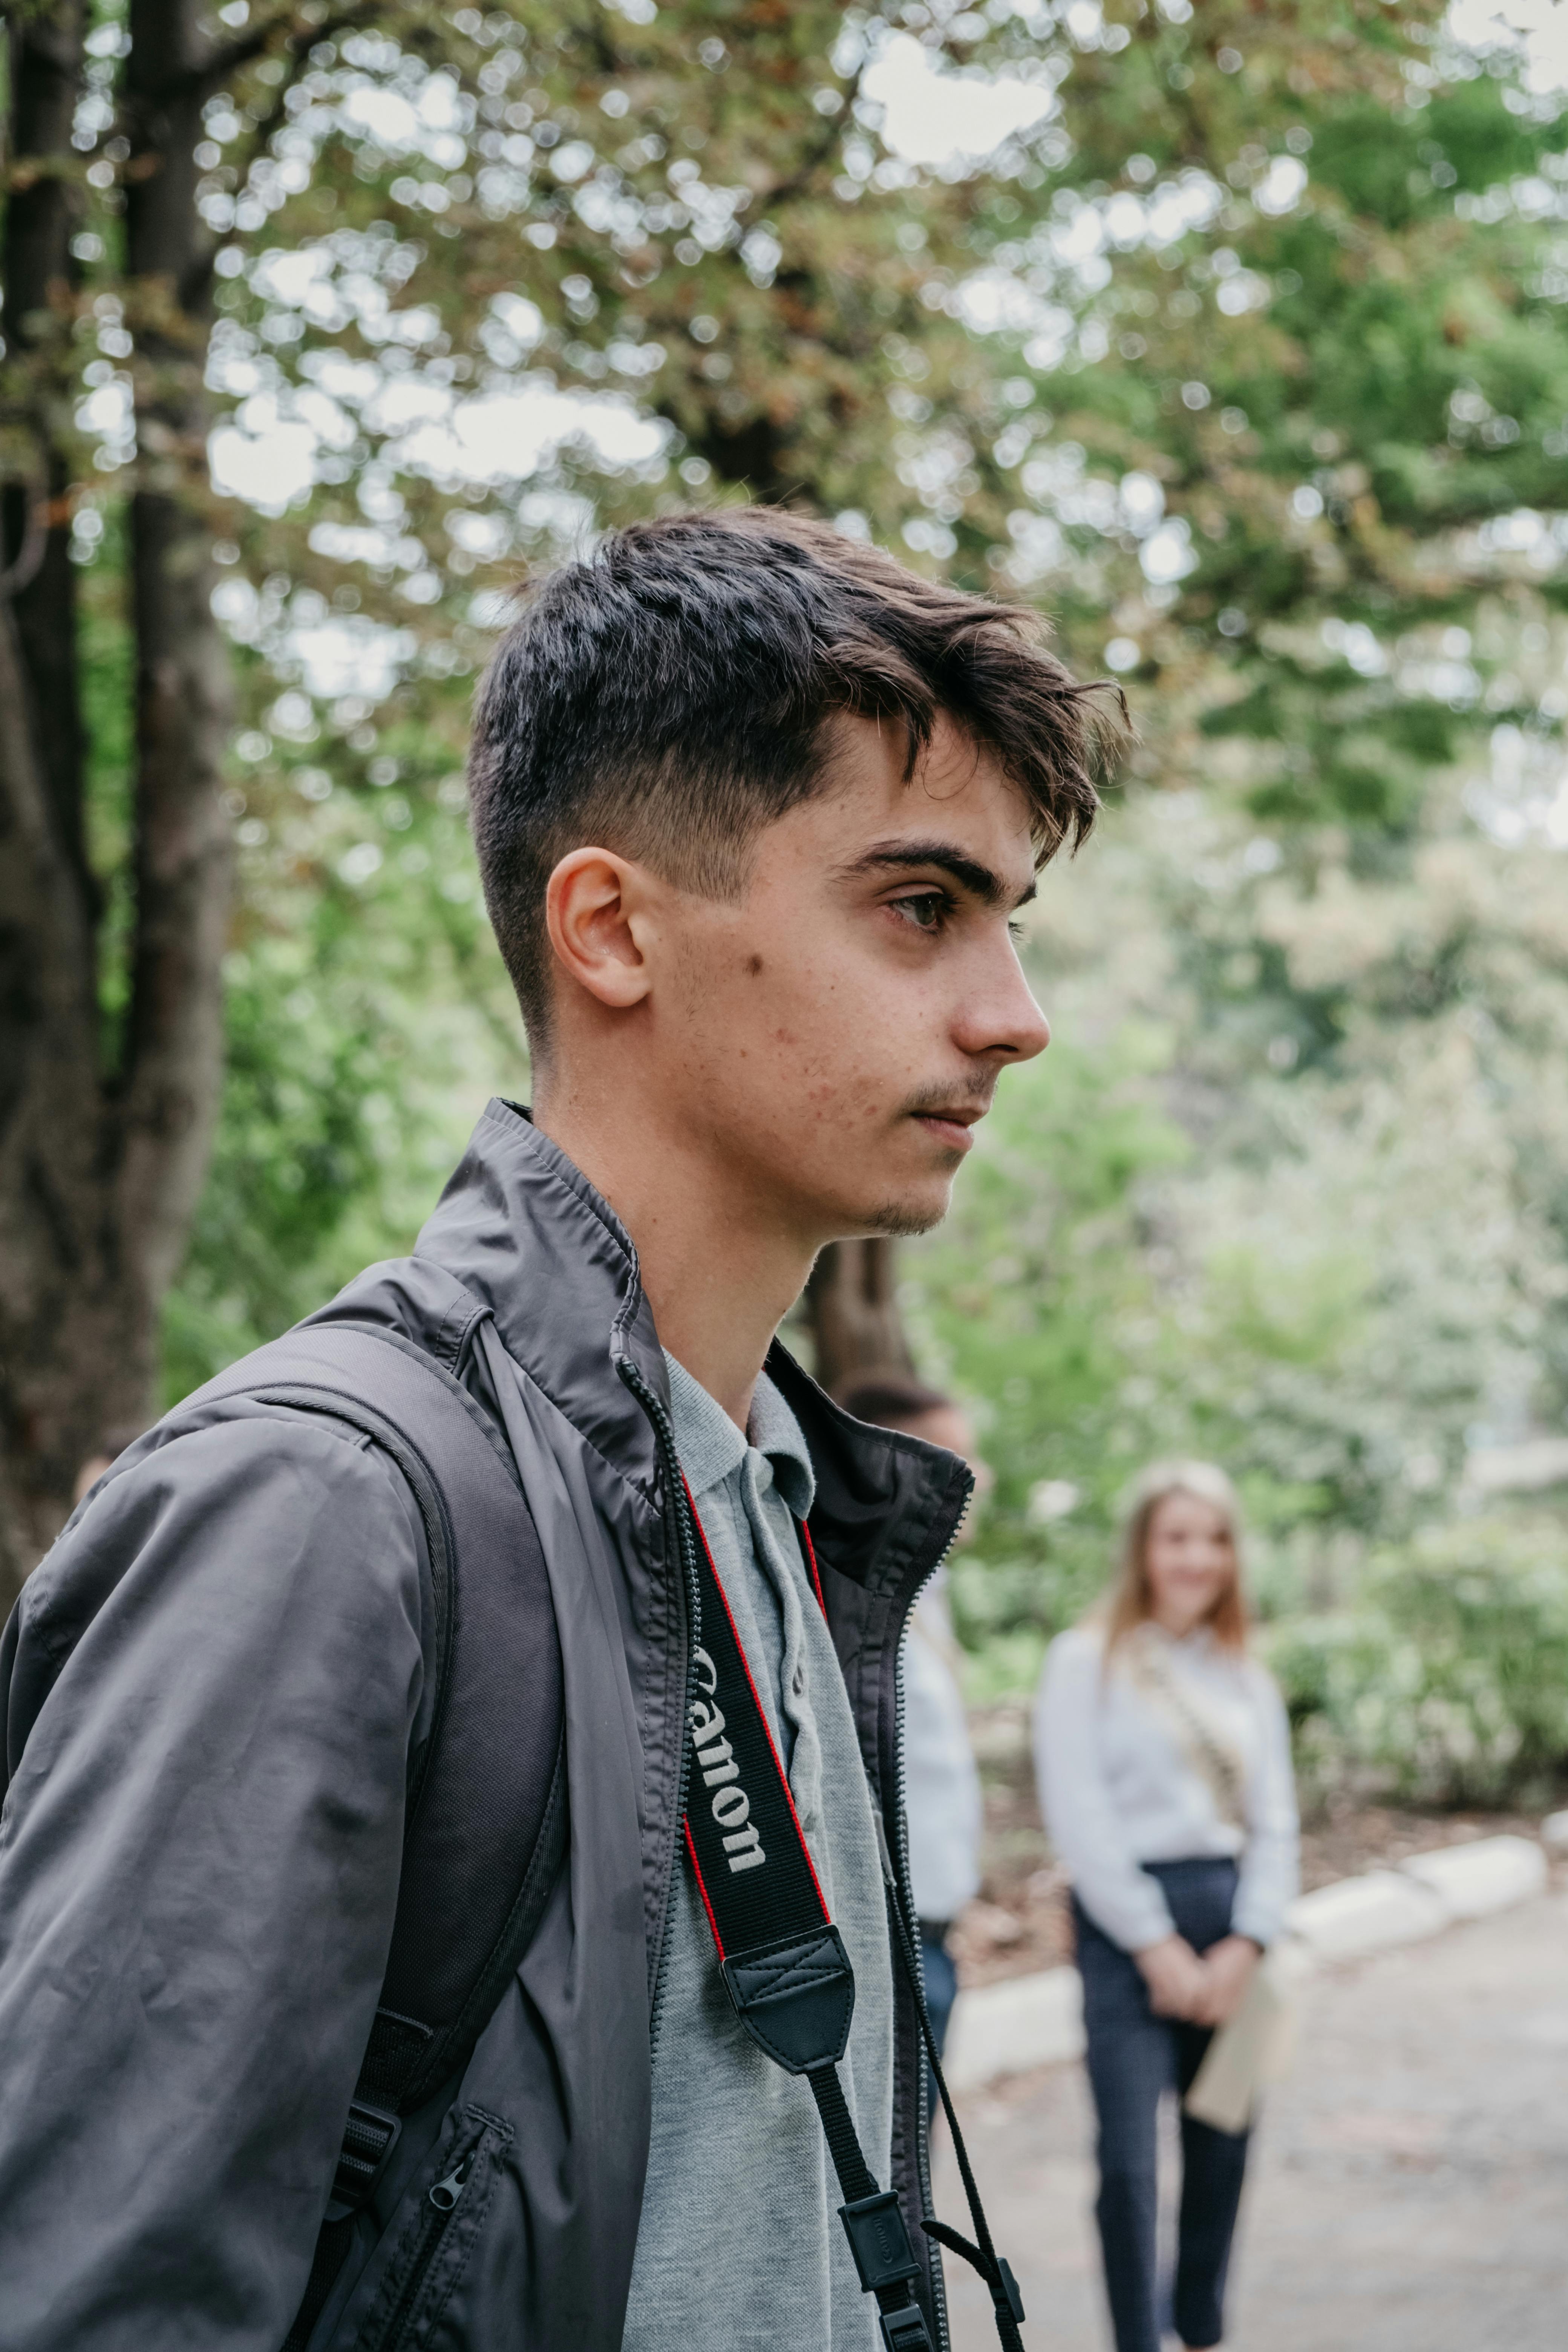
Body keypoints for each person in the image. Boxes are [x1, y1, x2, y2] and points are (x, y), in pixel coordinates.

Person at [0, 508, 1117, 2352]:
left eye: (1005, 920)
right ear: (610, 928)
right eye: (923, 906)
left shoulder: (783, 1487)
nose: (1016, 1015)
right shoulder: (323, 1505)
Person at [1033, 1461, 1299, 2352]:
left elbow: (1277, 1823)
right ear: (1142, 1548)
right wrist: (1154, 1946)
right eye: (1176, 1537)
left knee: (1224, 2146)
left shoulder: (1244, 1676)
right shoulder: (1085, 1661)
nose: (1196, 1558)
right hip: (1124, 1930)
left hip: (1231, 1923)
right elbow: (1080, 1817)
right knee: (1128, 2166)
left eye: (1214, 1539)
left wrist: (1249, 1942)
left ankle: (1200, 2328)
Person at [838, 1376, 988, 2099]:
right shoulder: (847, 1603)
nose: (972, 1479)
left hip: (936, 1934)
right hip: (884, 1943)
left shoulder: (930, 1592)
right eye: (950, 1457)